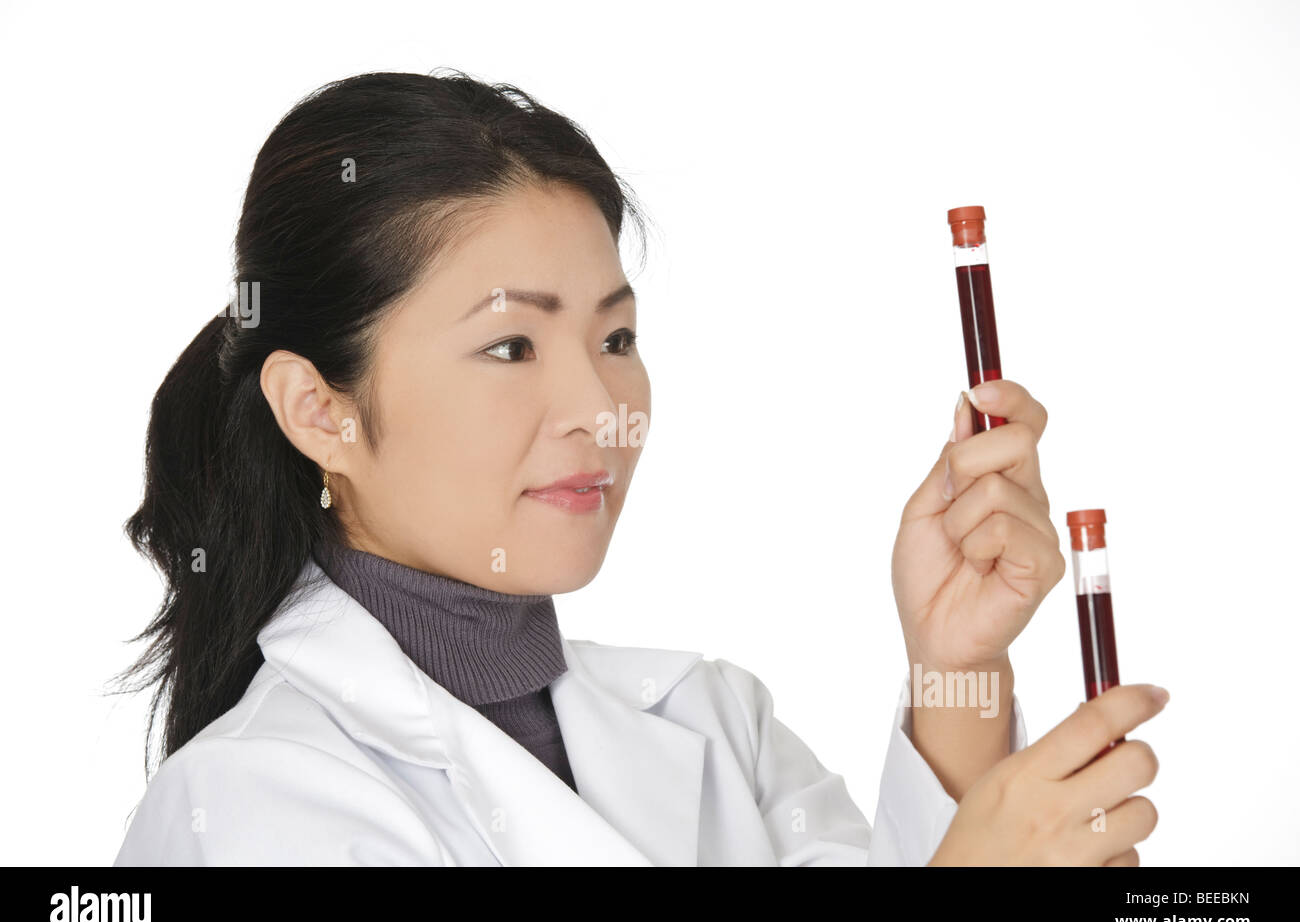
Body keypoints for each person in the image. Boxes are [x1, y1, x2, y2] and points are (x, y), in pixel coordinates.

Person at [110, 69, 1164, 866]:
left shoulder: (710, 722)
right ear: (319, 408)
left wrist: (958, 659)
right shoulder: (251, 804)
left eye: (614, 340)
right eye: (512, 346)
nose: (601, 408)